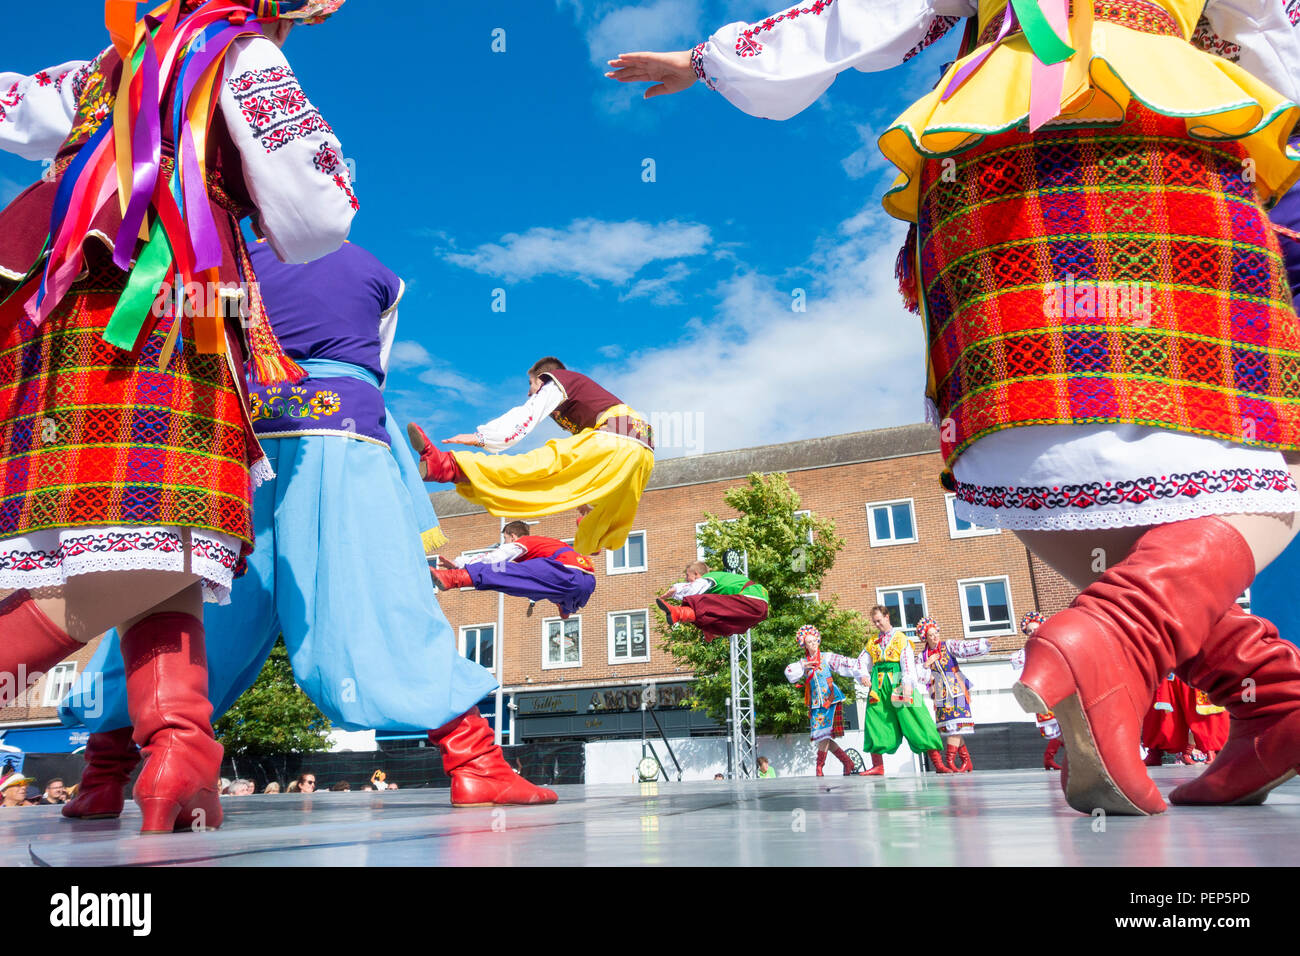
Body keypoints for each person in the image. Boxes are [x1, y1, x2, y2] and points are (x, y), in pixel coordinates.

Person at [607, 2, 1300, 816]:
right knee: (1260, 435)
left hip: (988, 175)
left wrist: (717, 58)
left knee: (1043, 452)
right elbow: (1273, 26)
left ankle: (1268, 698)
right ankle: (1122, 633)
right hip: (1156, 136)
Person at [0, 0, 356, 834]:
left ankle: (179, 748)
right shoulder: (244, 55)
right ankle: (175, 753)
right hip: (176, 297)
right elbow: (317, 216)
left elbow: (10, 103)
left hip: (55, 312)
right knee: (154, 535)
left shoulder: (97, 66)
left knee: (152, 533)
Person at [59, 241, 558, 816]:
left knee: (183, 597)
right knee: (376, 595)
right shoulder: (382, 275)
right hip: (339, 437)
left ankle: (102, 777)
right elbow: (376, 369)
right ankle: (476, 765)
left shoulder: (225, 254)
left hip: (233, 439)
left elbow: (202, 348)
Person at [407, 357, 655, 555]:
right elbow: (581, 462)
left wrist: (481, 437)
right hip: (642, 448)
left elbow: (528, 414)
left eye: (531, 384)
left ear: (542, 378)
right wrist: (582, 496)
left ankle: (448, 465)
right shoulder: (584, 409)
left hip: (618, 436)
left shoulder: (559, 379)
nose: (529, 392)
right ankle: (586, 553)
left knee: (542, 465)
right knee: (609, 512)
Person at [432, 521, 596, 619]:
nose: (504, 543)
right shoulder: (546, 545)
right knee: (529, 582)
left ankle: (452, 578)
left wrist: (459, 563)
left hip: (566, 570)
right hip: (586, 580)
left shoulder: (525, 542)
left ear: (512, 536)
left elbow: (493, 559)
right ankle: (564, 606)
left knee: (499, 570)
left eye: (505, 539)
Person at [857, 607, 946, 775]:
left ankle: (938, 763)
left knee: (916, 717)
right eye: (874, 622)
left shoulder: (900, 638)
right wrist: (862, 675)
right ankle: (878, 766)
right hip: (878, 685)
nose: (877, 624)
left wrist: (907, 683)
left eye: (879, 620)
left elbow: (907, 661)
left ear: (887, 616)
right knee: (875, 720)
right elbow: (862, 661)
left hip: (898, 679)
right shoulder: (872, 641)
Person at [783, 625, 866, 776]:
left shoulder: (826, 657)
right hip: (815, 703)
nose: (813, 644)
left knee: (824, 733)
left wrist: (863, 666)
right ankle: (847, 762)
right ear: (805, 645)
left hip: (830, 699)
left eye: (815, 641)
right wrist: (803, 665)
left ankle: (819, 767)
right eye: (809, 642)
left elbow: (846, 663)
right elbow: (789, 673)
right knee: (823, 735)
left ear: (818, 641)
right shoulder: (803, 662)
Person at [915, 617, 989, 772]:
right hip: (940, 694)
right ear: (925, 638)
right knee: (952, 727)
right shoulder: (923, 656)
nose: (935, 637)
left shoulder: (948, 645)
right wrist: (927, 663)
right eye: (931, 635)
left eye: (936, 633)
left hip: (956, 689)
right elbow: (921, 678)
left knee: (956, 725)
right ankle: (966, 761)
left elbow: (965, 647)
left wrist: (983, 643)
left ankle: (950, 760)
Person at [657, 561, 770, 641]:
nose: (686, 579)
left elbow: (693, 589)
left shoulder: (710, 578)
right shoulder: (715, 588)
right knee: (713, 613)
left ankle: (678, 613)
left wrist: (675, 589)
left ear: (696, 574)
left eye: (687, 576)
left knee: (701, 603)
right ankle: (712, 631)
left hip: (753, 598)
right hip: (759, 610)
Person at [1012, 613, 1063, 771]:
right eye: (1029, 631)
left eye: (1035, 629)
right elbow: (1018, 666)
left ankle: (1051, 758)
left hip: (1059, 689)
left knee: (1066, 725)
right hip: (1043, 691)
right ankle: (1051, 758)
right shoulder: (1026, 651)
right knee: (1059, 727)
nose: (1033, 633)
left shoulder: (1053, 645)